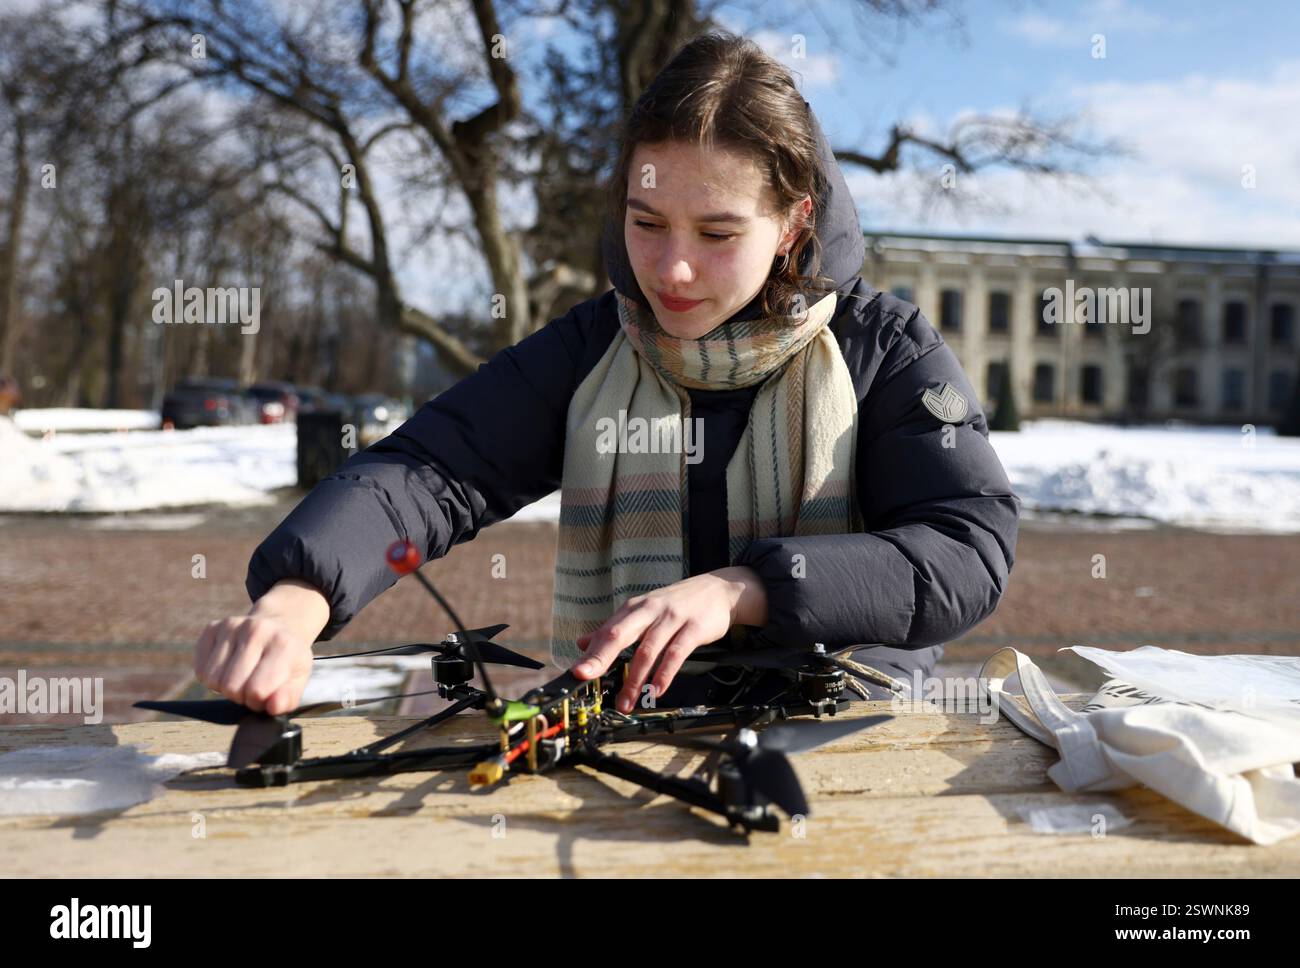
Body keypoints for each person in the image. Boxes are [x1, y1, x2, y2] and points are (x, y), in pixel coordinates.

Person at [194, 31, 1020, 717]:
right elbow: (430, 469)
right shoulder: (594, 347)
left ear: (794, 221)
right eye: (646, 221)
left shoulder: (884, 345)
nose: (674, 270)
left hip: (851, 726)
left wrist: (749, 588)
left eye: (719, 234)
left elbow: (964, 550)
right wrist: (299, 596)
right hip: (630, 725)